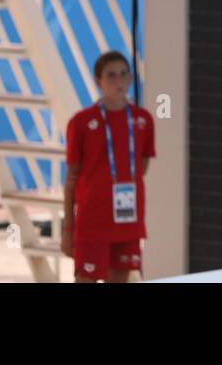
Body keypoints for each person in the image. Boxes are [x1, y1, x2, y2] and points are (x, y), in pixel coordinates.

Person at [62, 51, 155, 283]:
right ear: (98, 81)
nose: (118, 81)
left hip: (127, 218)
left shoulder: (143, 119)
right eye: (111, 75)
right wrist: (68, 229)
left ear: (130, 79)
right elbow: (71, 178)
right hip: (92, 220)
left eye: (123, 74)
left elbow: (141, 167)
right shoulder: (81, 122)